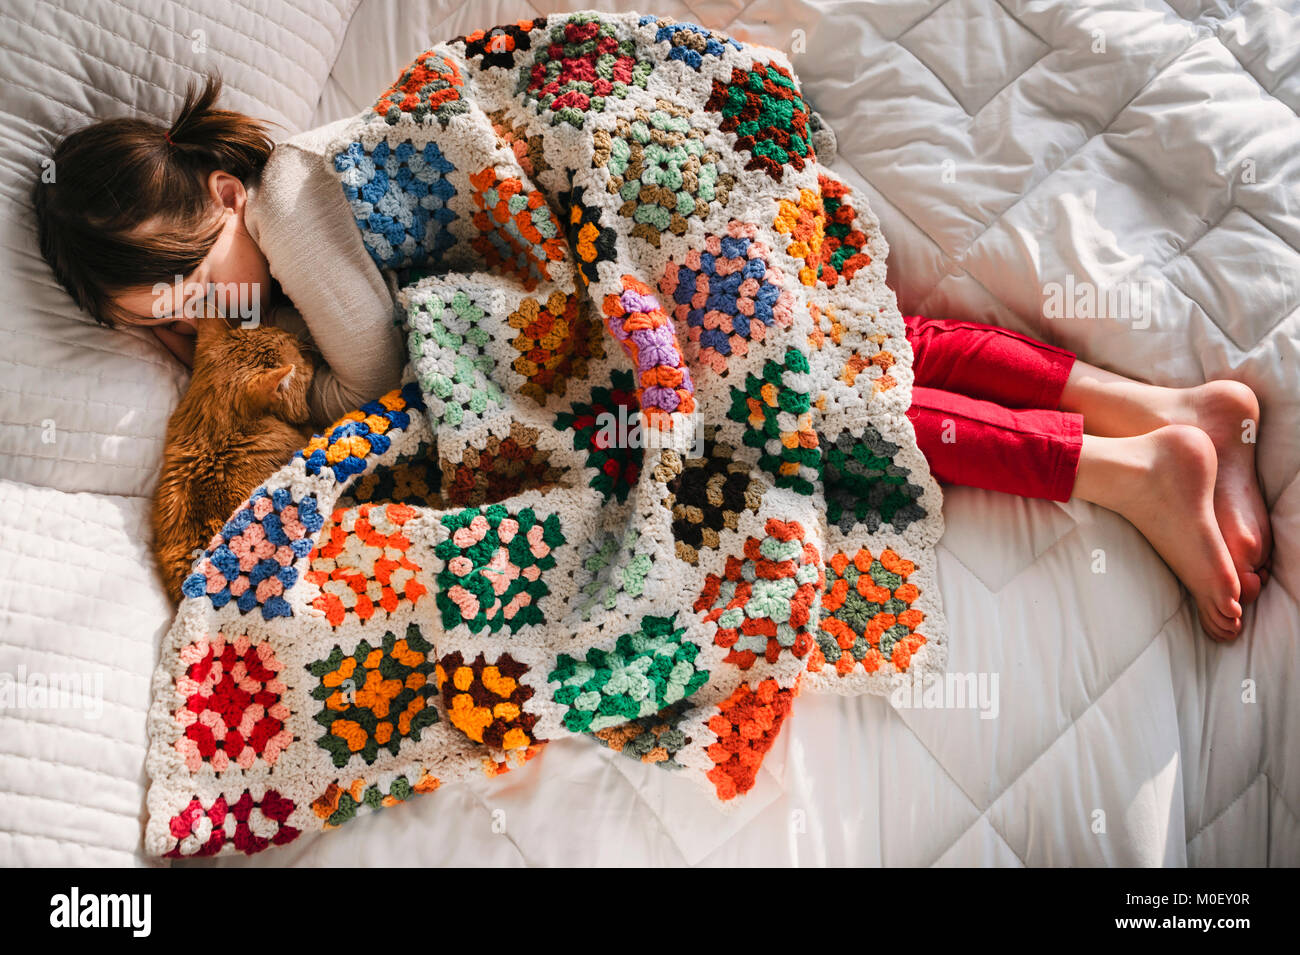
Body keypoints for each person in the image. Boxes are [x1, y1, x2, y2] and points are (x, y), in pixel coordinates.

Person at [31, 77, 1271, 641]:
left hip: (611, 230)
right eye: (169, 316)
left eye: (196, 275)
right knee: (859, 338)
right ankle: (1163, 407)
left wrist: (275, 381)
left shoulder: (296, 206)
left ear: (220, 185)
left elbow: (368, 371)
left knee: (791, 415)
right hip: (661, 218)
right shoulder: (274, 219)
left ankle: (1129, 472)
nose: (208, 311)